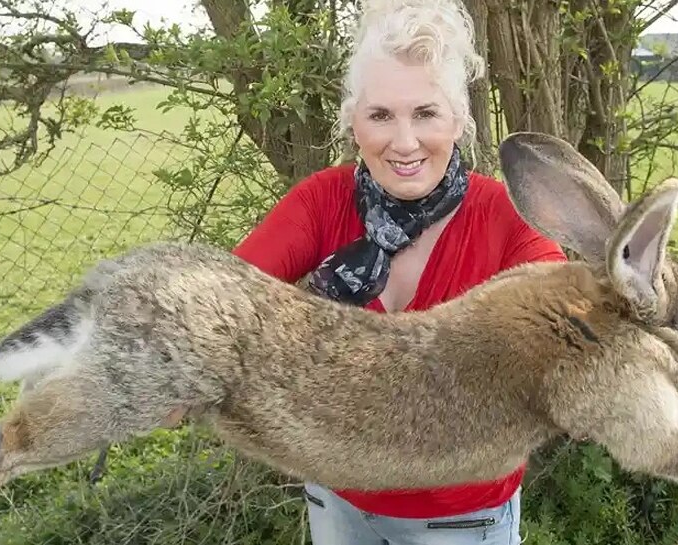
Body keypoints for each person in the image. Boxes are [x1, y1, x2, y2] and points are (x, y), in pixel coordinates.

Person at [231, 0, 567, 542]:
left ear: (459, 119)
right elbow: (217, 303)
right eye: (381, 115)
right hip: (337, 498)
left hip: (461, 518)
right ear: (353, 121)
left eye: (426, 114)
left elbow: (562, 341)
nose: (404, 143)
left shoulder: (508, 220)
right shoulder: (321, 203)